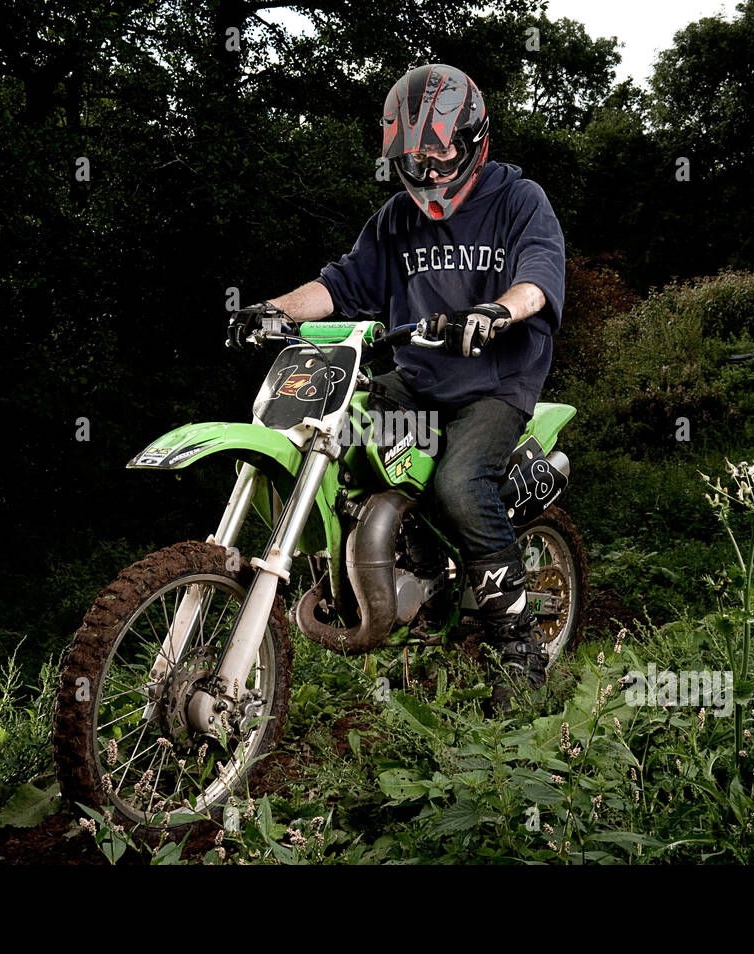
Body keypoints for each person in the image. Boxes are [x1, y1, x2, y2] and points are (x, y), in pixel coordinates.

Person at [230, 64, 566, 712]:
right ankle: (404, 575)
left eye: (439, 151)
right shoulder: (394, 222)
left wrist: (498, 311)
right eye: (414, 155)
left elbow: (539, 279)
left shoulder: (519, 201)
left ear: (472, 141)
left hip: (495, 383)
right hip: (417, 378)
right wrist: (274, 307)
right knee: (344, 442)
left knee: (460, 485)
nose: (429, 168)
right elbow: (338, 285)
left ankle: (521, 653)